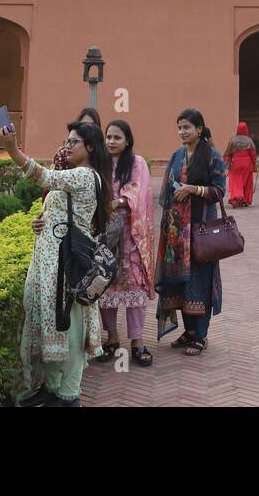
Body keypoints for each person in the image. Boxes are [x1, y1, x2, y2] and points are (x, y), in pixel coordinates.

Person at [3, 119, 112, 407]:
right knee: (54, 323)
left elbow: (43, 177)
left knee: (70, 326)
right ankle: (52, 387)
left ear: (90, 146)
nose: (66, 146)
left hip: (68, 265)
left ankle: (68, 394)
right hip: (51, 262)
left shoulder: (86, 176)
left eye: (73, 141)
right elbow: (58, 208)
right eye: (66, 141)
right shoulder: (73, 174)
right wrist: (42, 220)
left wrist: (13, 149)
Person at [155, 108, 227, 356]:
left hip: (200, 232)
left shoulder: (213, 156)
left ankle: (201, 335)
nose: (181, 132)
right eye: (179, 127)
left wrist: (192, 189)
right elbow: (167, 192)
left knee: (200, 281)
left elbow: (218, 192)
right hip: (177, 233)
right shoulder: (176, 156)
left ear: (199, 129)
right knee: (181, 284)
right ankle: (188, 332)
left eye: (186, 127)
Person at [95, 119, 155, 368]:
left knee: (134, 289)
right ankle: (112, 338)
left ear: (127, 140)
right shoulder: (100, 163)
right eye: (108, 137)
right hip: (105, 235)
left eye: (116, 137)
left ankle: (137, 342)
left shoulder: (137, 163)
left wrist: (119, 203)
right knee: (105, 285)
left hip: (132, 237)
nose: (111, 141)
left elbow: (139, 191)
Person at [224, 121, 259, 207]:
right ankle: (245, 200)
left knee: (236, 181)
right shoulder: (249, 141)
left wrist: (225, 164)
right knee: (247, 182)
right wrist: (255, 163)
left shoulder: (233, 140)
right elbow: (253, 153)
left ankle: (237, 198)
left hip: (236, 162)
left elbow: (228, 153)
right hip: (247, 163)